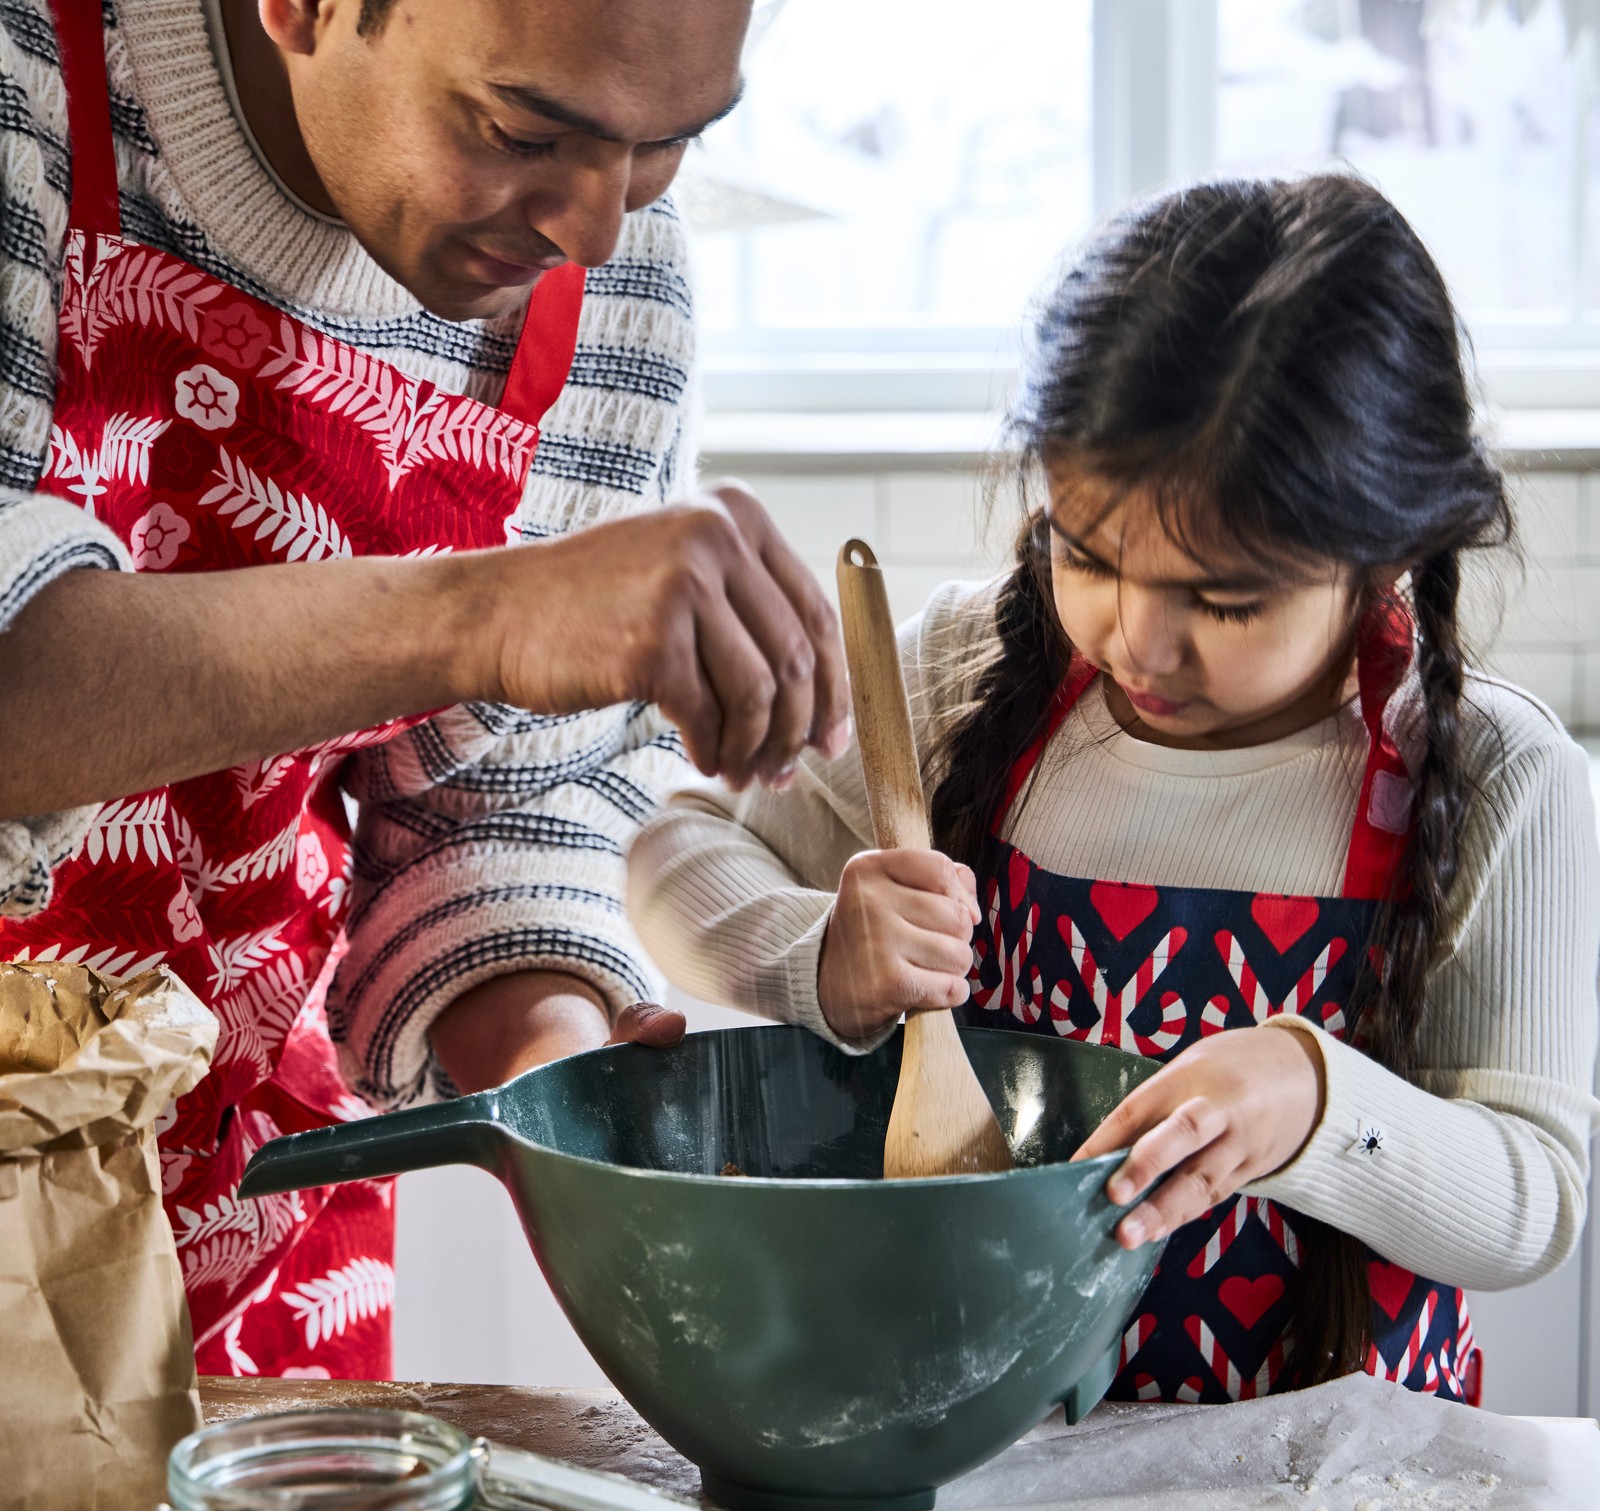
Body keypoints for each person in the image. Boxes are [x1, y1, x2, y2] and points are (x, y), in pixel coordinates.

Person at [630, 172, 1600, 1405]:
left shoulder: (1496, 773)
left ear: (1388, 547)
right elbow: (676, 845)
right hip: (998, 1472)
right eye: (1084, 552)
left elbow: (1530, 1200)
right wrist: (816, 955)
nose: (1138, 641)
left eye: (1225, 599)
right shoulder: (970, 670)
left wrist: (1314, 1102)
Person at [0, 0, 848, 1377]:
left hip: (247, 1258)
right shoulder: (30, 76)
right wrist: (483, 614)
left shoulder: (604, 289)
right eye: (526, 132)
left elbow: (480, 802)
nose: (595, 228)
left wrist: (564, 1080)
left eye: (669, 150)